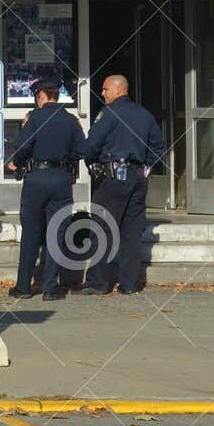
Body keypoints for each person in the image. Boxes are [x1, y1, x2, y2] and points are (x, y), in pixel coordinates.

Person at [79, 74, 164, 296]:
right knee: (132, 232)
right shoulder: (145, 115)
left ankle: (100, 283)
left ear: (118, 90)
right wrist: (146, 167)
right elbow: (158, 146)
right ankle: (129, 283)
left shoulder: (108, 114)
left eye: (105, 89)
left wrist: (90, 161)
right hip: (137, 178)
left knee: (103, 229)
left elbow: (91, 144)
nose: (103, 93)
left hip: (113, 179)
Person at [4, 78, 85, 301]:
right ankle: (50, 289)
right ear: (55, 96)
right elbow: (82, 150)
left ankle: (23, 287)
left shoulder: (35, 118)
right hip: (61, 180)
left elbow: (23, 147)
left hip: (36, 180)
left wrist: (16, 163)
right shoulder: (70, 121)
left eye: (36, 97)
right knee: (57, 233)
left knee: (30, 233)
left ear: (41, 96)